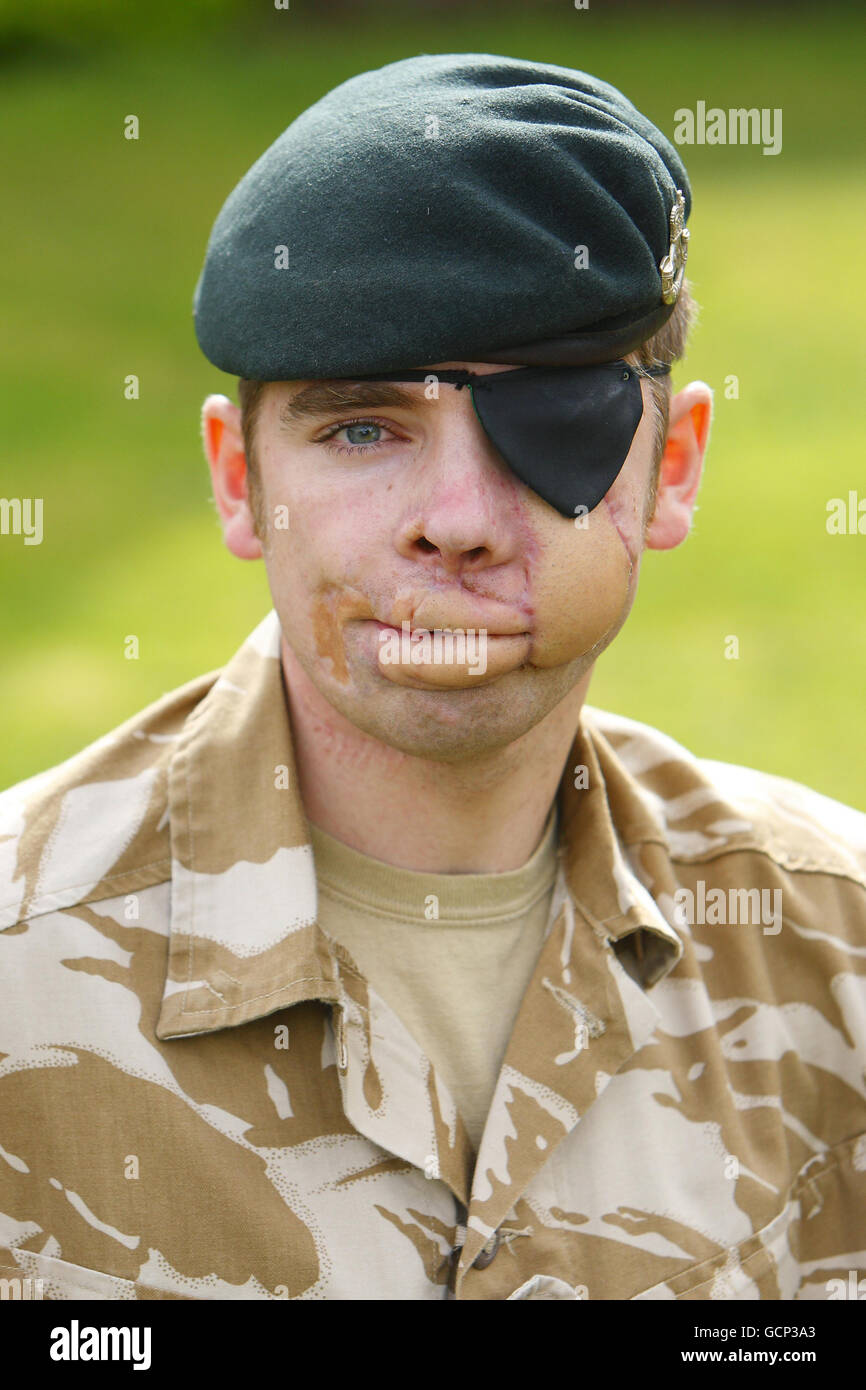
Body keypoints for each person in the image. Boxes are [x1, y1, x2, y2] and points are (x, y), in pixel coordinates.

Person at [1, 53, 864, 1303]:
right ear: (239, 482)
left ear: (669, 468)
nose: (453, 521)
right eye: (363, 428)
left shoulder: (835, 958)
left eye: (547, 419)